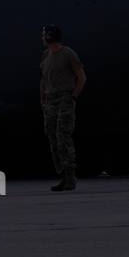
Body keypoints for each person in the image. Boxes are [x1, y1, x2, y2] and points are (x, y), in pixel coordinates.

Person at [39, 24, 86, 192]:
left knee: (62, 136)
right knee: (52, 136)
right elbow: (43, 80)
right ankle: (62, 174)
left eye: (44, 35)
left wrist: (73, 96)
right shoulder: (46, 55)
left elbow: (81, 76)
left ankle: (69, 176)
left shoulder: (68, 54)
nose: (42, 37)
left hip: (64, 98)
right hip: (50, 101)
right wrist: (43, 100)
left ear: (51, 36)